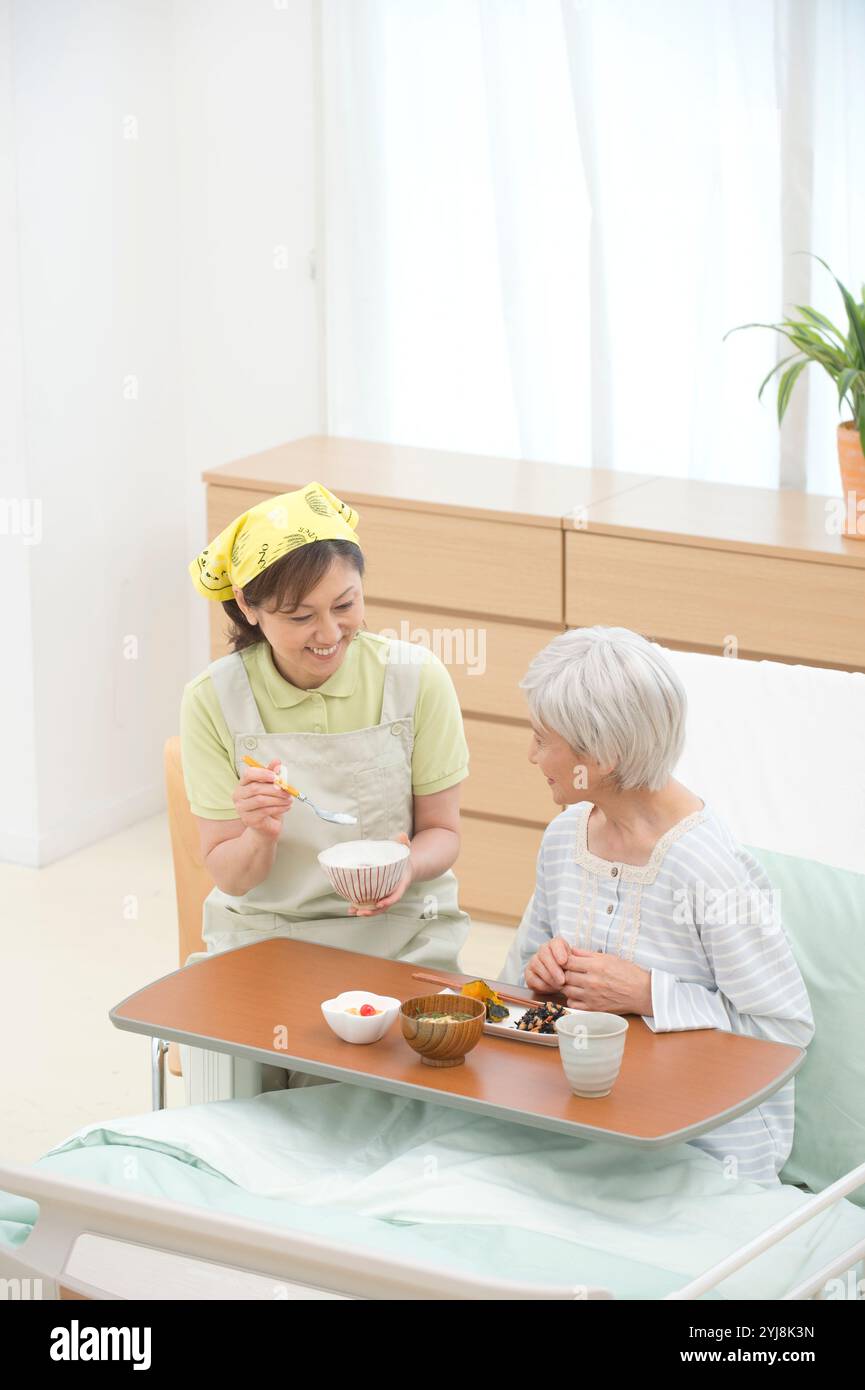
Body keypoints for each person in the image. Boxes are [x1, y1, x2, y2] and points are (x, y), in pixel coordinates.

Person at [501, 625, 815, 1184]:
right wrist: (539, 975)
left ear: (603, 754)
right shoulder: (565, 838)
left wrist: (649, 994)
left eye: (541, 738)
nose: (531, 755)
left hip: (702, 1147)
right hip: (582, 1117)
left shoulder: (707, 869)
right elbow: (513, 991)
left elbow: (783, 1032)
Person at [181, 480, 472, 991]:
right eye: (300, 617)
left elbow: (442, 833)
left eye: (345, 605)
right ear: (249, 606)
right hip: (263, 937)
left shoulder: (415, 677)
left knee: (409, 1059)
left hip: (401, 932)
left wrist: (406, 867)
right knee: (240, 1067)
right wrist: (260, 833)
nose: (330, 634)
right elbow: (231, 877)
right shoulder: (212, 699)